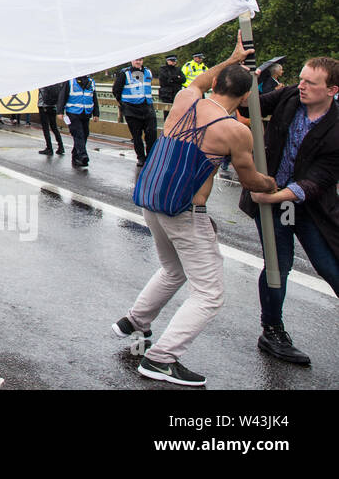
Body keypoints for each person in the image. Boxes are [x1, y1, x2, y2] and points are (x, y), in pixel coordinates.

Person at [116, 34, 275, 387]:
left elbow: (200, 80)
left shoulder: (186, 99)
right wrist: (273, 185)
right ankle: (161, 359)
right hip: (186, 210)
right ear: (245, 97)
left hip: (152, 201)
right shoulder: (234, 131)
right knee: (209, 294)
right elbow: (250, 181)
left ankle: (135, 320)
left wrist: (232, 56)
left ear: (216, 82)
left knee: (173, 269)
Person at [238, 56, 339, 366]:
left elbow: (321, 178)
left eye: (311, 82)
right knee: (278, 267)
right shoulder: (289, 96)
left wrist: (276, 196)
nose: (302, 86)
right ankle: (272, 331)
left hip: (308, 205)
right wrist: (247, 78)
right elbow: (246, 107)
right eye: (301, 78)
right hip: (271, 199)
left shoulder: (336, 127)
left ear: (332, 89)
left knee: (331, 265)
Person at [113, 58, 158, 167]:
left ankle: (150, 157)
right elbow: (116, 90)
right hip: (132, 110)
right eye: (136, 60)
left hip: (147, 107)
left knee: (151, 134)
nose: (138, 62)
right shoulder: (125, 73)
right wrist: (124, 104)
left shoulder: (147, 72)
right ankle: (141, 158)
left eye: (141, 60)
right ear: (132, 60)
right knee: (137, 136)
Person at [58, 76, 99, 168]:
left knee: (85, 134)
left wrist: (96, 113)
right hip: (73, 112)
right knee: (78, 134)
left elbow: (94, 98)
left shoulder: (91, 82)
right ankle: (83, 155)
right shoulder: (70, 81)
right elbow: (62, 96)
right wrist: (60, 111)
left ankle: (76, 155)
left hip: (86, 112)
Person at [36, 82, 65, 156]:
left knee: (46, 128)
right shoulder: (56, 82)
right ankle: (61, 147)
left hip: (43, 106)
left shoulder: (43, 82)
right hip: (53, 106)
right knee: (54, 127)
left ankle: (49, 148)